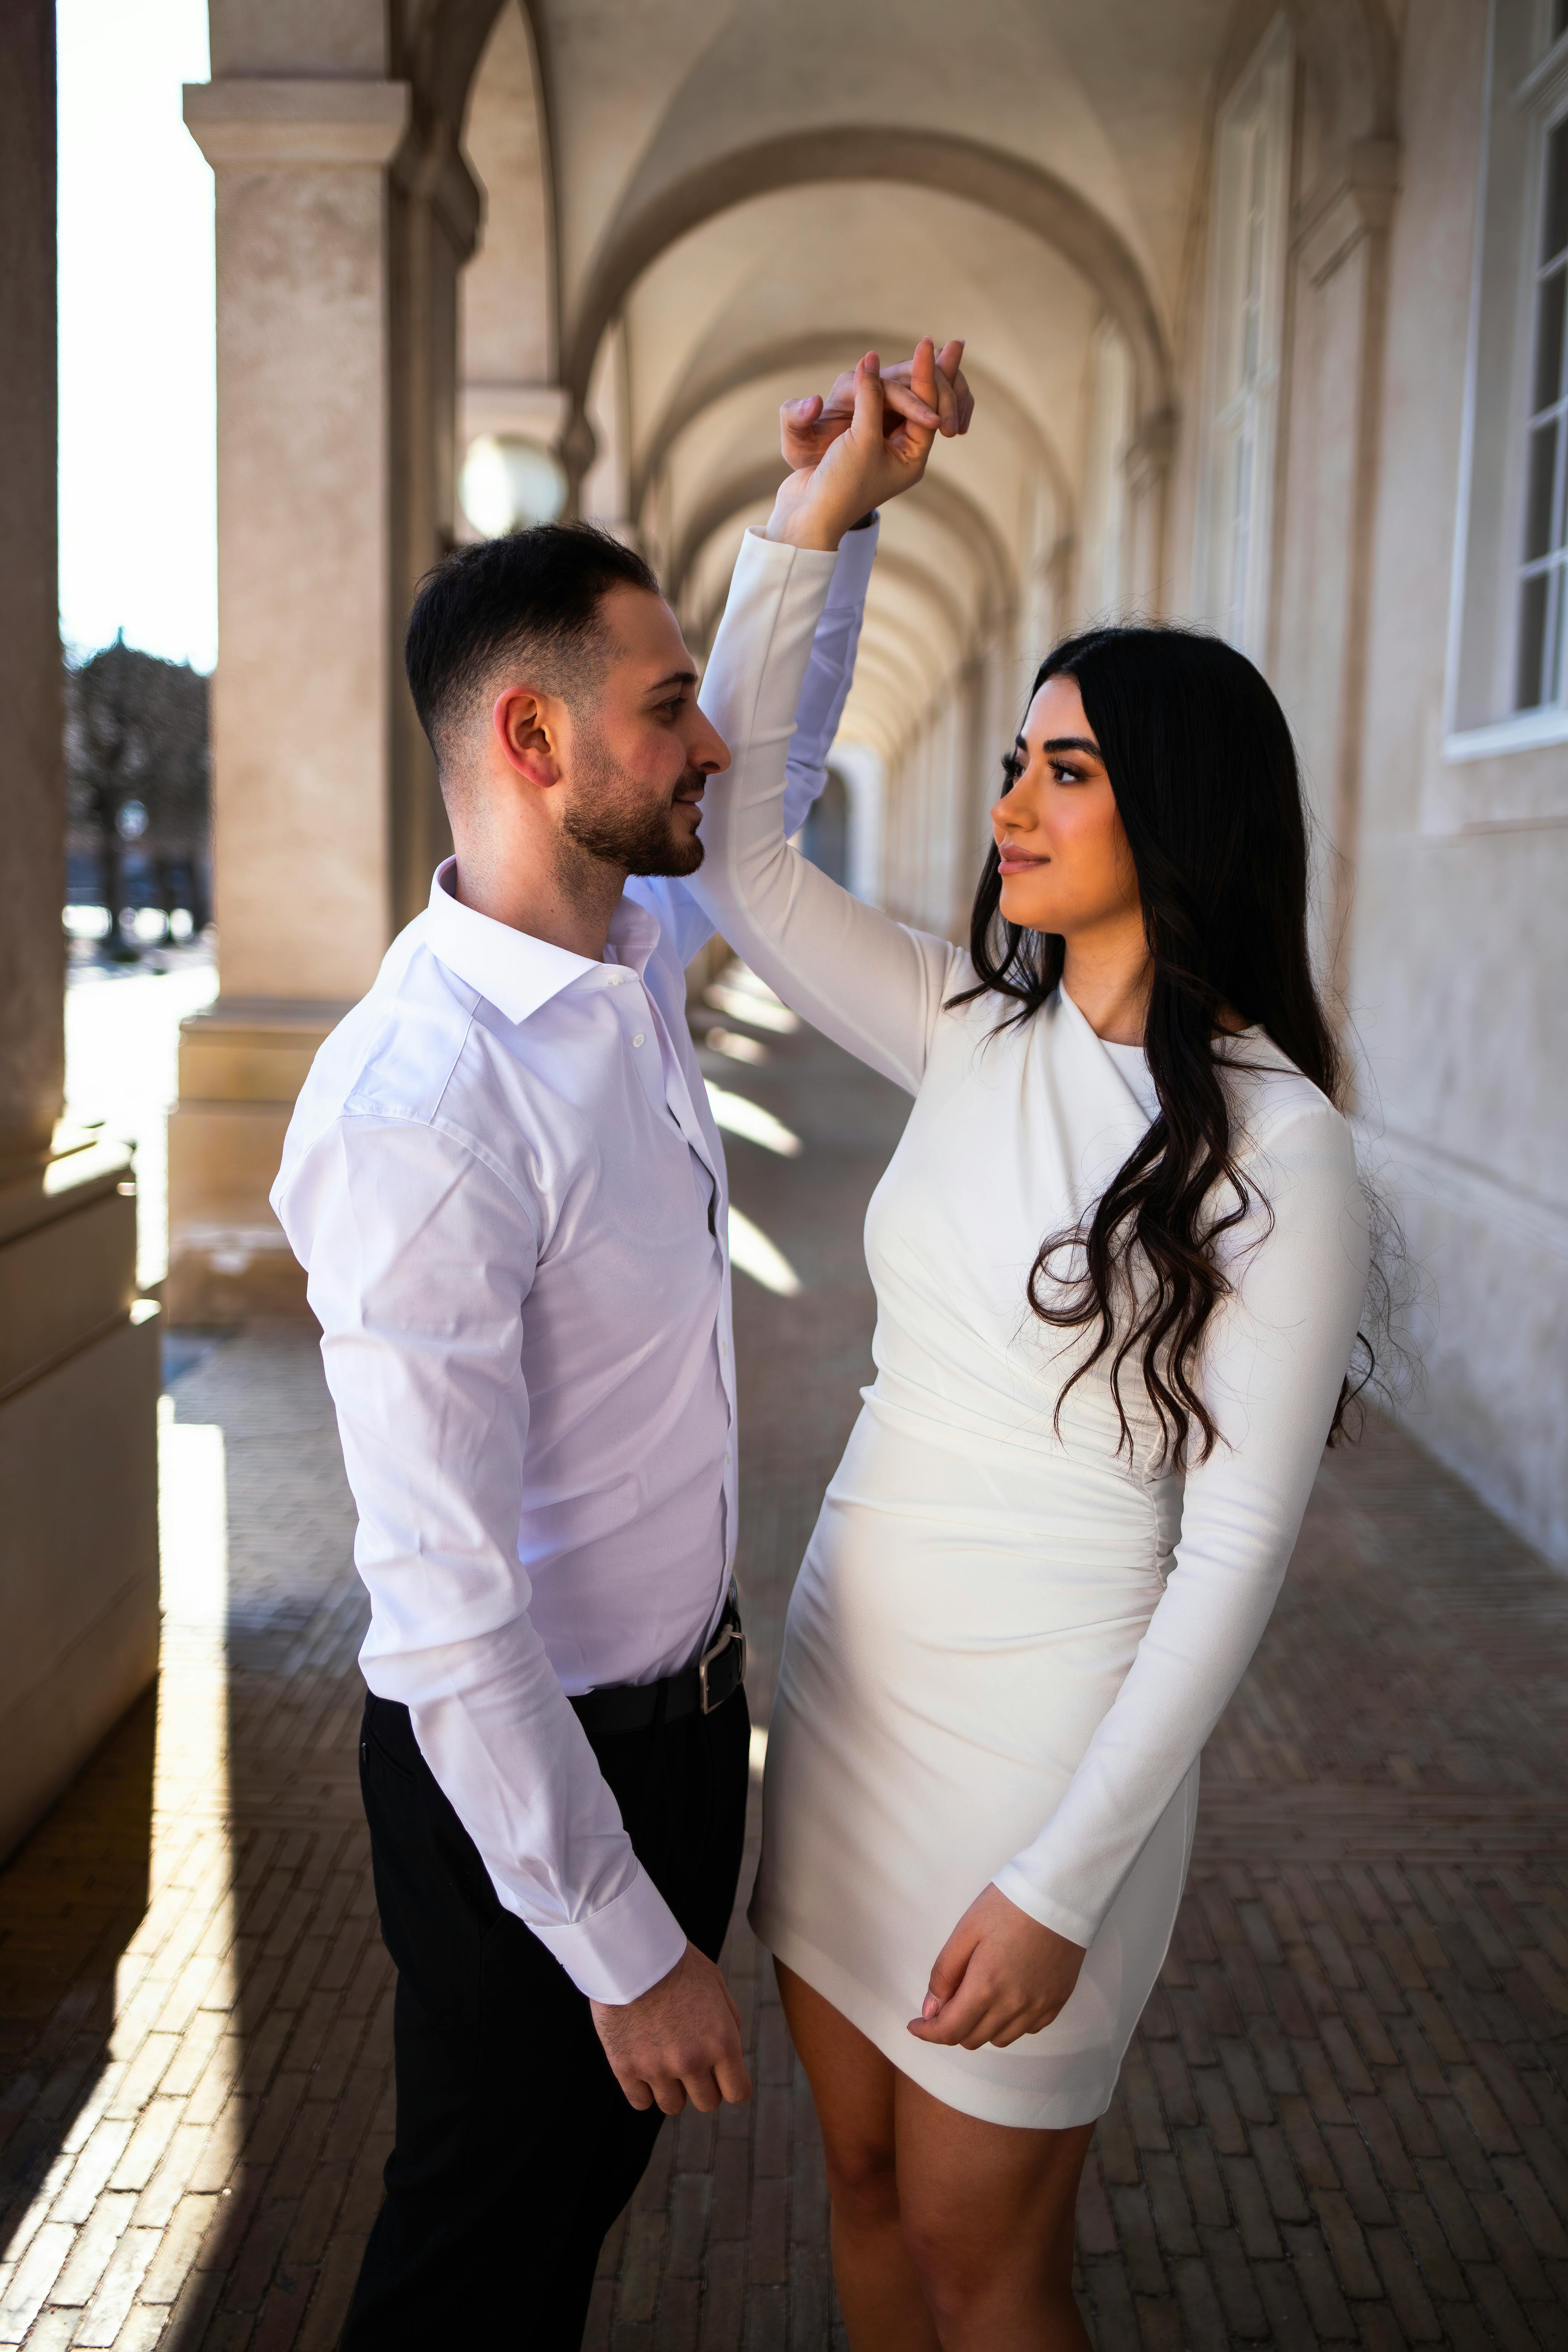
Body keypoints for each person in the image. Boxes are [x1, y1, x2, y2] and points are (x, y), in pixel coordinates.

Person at [268, 343, 971, 2347]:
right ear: (529, 737)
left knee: (553, 2240)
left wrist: (825, 511)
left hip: (674, 1739)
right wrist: (617, 1946)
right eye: (662, 714)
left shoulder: (621, 941)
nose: (706, 749)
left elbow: (768, 740)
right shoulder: (426, 1104)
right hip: (529, 1804)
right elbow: (443, 1605)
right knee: (472, 2272)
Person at [687, 354, 1372, 2349]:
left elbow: (1234, 1553)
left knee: (996, 2269)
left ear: (1182, 809)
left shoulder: (1284, 1147)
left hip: (1049, 1737)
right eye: (1015, 760)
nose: (1012, 802)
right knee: (862, 2189)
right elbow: (735, 858)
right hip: (849, 1682)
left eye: (1065, 769)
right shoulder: (963, 1024)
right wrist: (828, 508)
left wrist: (1067, 1880)